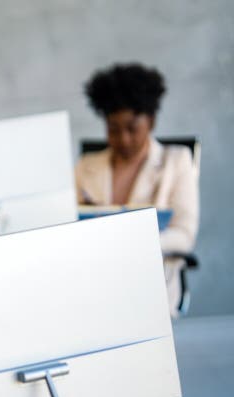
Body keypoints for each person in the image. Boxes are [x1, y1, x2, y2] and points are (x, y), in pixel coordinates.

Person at [74, 63, 200, 317]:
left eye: (132, 128)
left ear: (151, 121)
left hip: (151, 281)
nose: (123, 139)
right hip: (95, 279)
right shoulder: (86, 166)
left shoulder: (177, 162)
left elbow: (184, 235)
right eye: (113, 129)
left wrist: (131, 240)